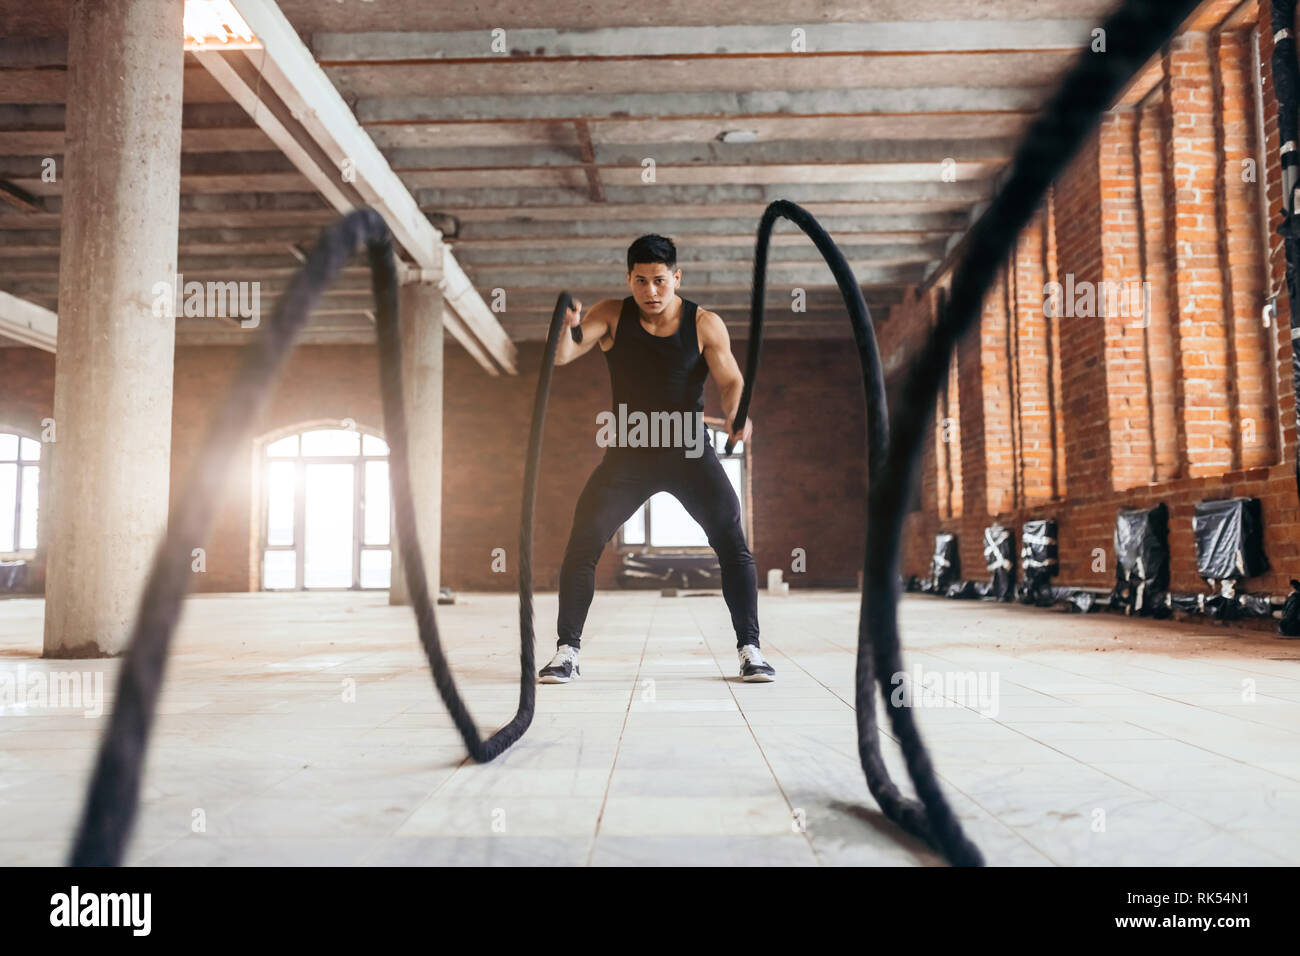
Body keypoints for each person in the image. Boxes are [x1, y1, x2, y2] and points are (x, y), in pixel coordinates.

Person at [538, 234, 776, 684]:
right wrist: (564, 329)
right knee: (584, 538)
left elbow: (730, 381)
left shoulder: (705, 323)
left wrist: (737, 415)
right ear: (629, 279)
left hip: (688, 450)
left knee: (731, 539)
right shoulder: (610, 314)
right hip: (628, 455)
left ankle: (750, 650)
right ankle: (566, 652)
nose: (651, 291)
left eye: (660, 281)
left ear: (676, 277)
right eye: (641, 281)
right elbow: (567, 353)